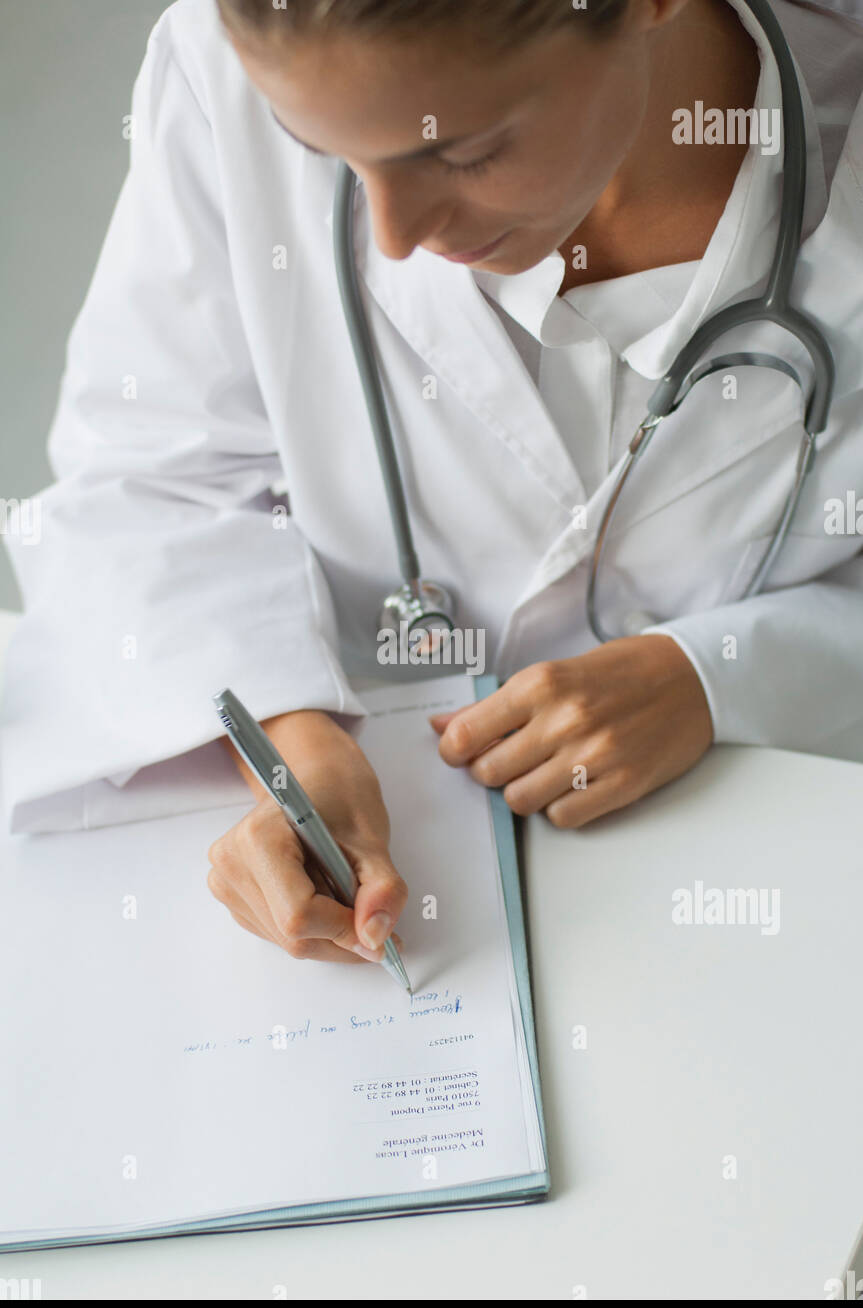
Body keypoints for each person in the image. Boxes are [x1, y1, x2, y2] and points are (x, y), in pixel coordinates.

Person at [2, 0, 862, 969]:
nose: (395, 235)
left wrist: (723, 674)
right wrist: (292, 739)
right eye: (316, 148)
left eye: (462, 153)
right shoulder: (226, 61)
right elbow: (142, 485)